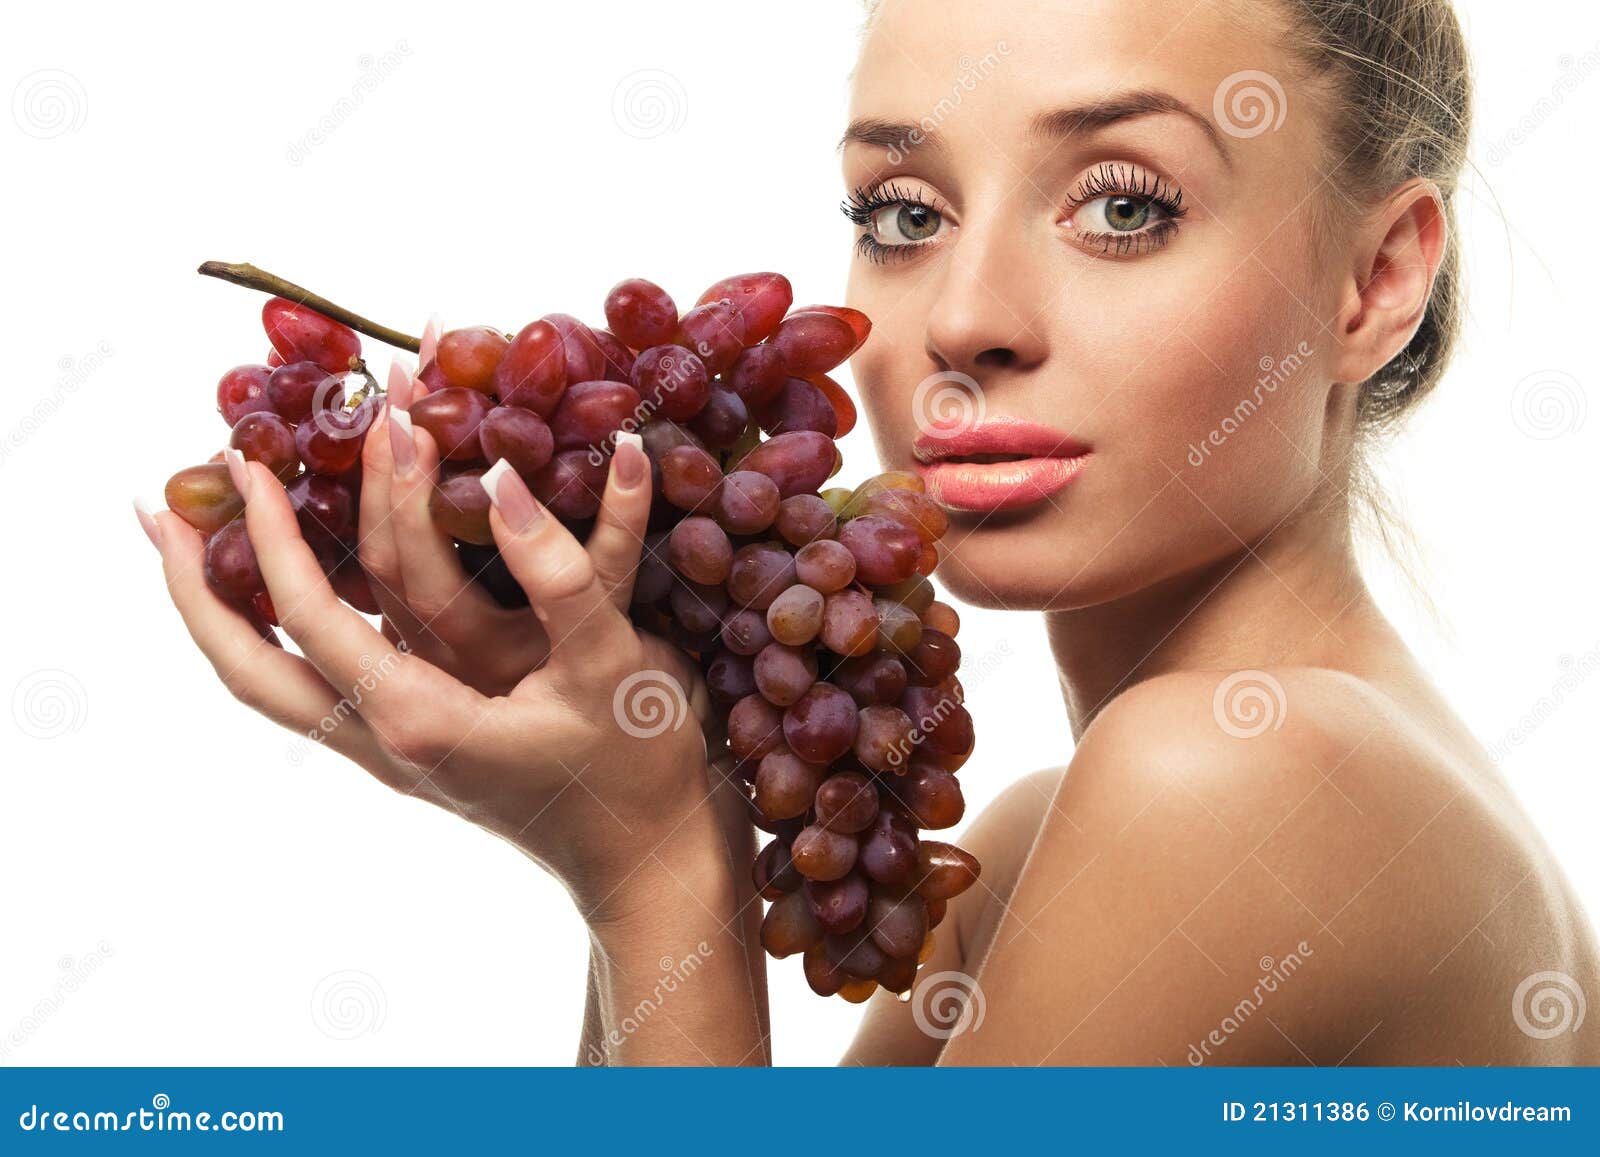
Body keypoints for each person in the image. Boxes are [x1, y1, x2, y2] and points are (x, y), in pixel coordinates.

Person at [140, 0, 1599, 1064]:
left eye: (1125, 207)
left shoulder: (1242, 776)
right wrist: (659, 803)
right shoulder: (1042, 833)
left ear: (1375, 281)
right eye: (902, 212)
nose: (963, 318)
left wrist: (656, 874)